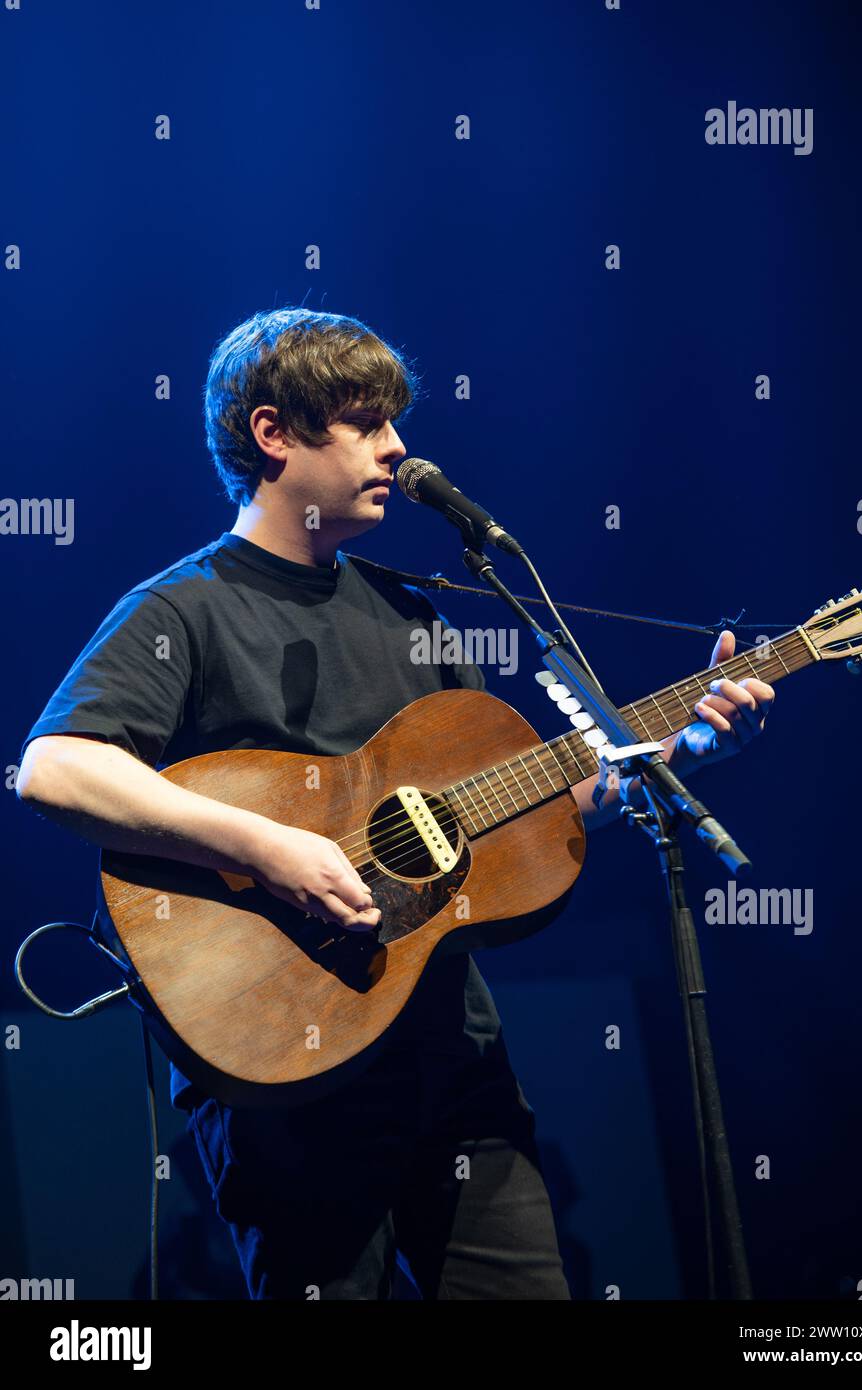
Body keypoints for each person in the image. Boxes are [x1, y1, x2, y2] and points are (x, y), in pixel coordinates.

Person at [16, 308, 775, 1299]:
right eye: (366, 422)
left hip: (448, 1058)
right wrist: (271, 846)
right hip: (278, 1060)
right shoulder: (182, 611)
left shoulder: (408, 611)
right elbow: (55, 768)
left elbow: (525, 798)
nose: (398, 447)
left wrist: (679, 753)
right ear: (274, 433)